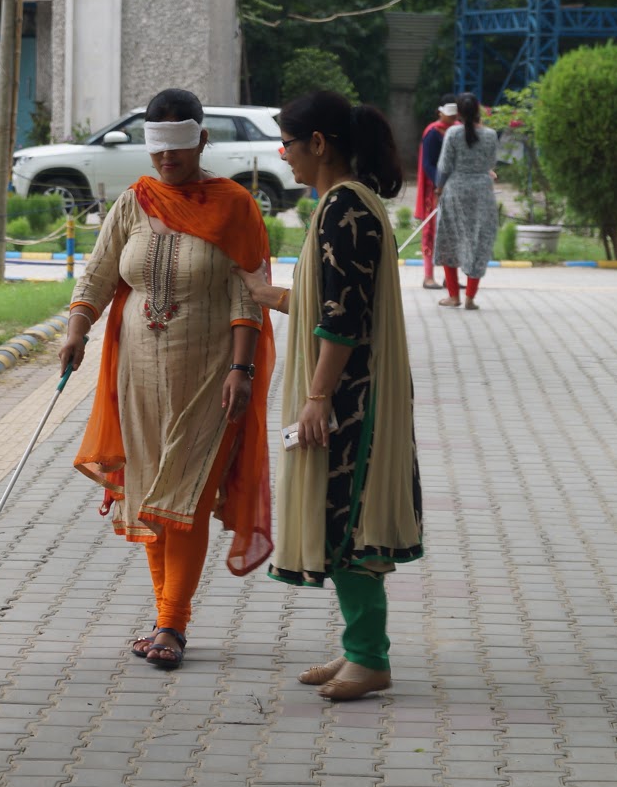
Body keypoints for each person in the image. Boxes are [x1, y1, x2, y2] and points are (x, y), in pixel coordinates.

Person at [57, 89, 274, 670]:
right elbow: (100, 274)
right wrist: (77, 330)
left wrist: (241, 367)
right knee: (152, 494)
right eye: (158, 151)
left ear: (202, 140)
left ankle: (172, 625)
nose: (167, 161)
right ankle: (162, 617)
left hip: (208, 377)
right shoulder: (135, 202)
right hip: (138, 377)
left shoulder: (234, 207)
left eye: (178, 149)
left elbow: (246, 293)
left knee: (189, 495)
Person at [239, 90, 424, 701]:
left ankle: (371, 659)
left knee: (348, 520)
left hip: (351, 395)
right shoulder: (344, 206)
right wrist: (270, 296)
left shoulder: (346, 210)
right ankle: (358, 651)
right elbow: (328, 302)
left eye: (288, 145)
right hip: (348, 388)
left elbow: (344, 321)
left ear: (318, 144)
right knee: (341, 515)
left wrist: (317, 398)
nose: (284, 156)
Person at [434, 92, 500, 310]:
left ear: (459, 113)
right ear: (478, 110)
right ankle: (471, 297)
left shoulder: (452, 133)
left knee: (449, 240)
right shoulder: (491, 135)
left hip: (456, 191)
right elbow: (492, 162)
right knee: (478, 240)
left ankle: (454, 296)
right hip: (482, 192)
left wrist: (439, 189)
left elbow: (444, 166)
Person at [415, 94, 458, 289]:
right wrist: (441, 183)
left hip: (456, 188)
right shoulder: (433, 133)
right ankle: (428, 276)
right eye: (448, 114)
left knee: (454, 232)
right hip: (436, 190)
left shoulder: (458, 130)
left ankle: (451, 278)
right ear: (439, 112)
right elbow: (428, 163)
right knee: (432, 232)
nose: (451, 117)